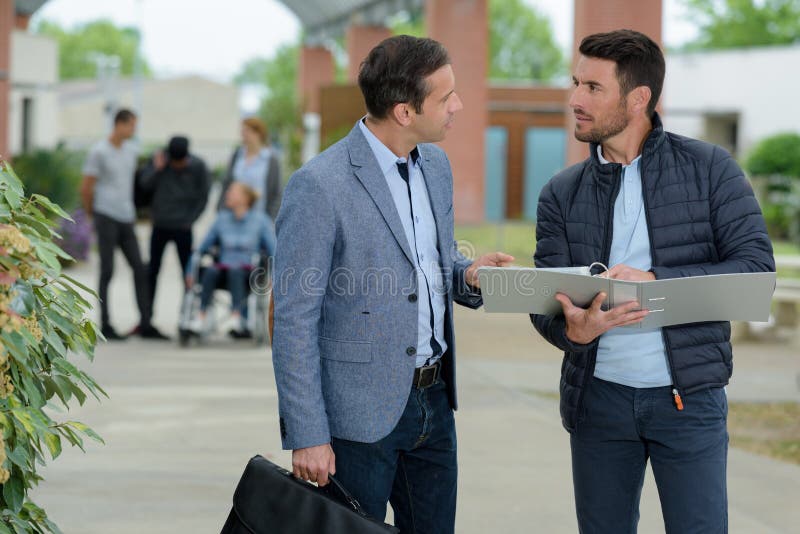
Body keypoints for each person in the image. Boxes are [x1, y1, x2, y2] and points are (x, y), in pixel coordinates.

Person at [530, 29, 775, 533]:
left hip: (688, 401)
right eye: (576, 83)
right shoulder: (559, 193)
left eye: (593, 88)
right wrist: (569, 332)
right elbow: (544, 299)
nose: (575, 99)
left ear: (638, 98)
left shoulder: (711, 170)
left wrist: (655, 281)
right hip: (598, 402)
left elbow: (753, 269)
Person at [271, 35, 513, 533]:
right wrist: (307, 433)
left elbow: (426, 265)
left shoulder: (437, 167)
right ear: (405, 111)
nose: (458, 107)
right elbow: (293, 318)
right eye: (446, 98)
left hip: (435, 402)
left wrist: (467, 275)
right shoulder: (319, 185)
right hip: (357, 419)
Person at [80, 109, 168, 341]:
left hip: (126, 216)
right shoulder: (99, 152)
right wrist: (92, 215)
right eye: (131, 126)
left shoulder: (131, 151)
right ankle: (105, 324)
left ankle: (146, 323)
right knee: (107, 270)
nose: (134, 131)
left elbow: (138, 181)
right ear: (119, 124)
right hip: (105, 214)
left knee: (140, 268)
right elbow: (87, 187)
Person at [185, 182, 275, 339]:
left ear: (245, 198)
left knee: (236, 271)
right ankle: (200, 316)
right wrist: (189, 270)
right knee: (211, 269)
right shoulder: (221, 219)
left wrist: (274, 276)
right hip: (222, 271)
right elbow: (201, 249)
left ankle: (236, 315)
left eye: (232, 192)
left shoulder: (260, 220)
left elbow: (274, 250)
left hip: (248, 273)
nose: (227, 194)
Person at [139, 136, 210, 317]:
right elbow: (143, 186)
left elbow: (203, 197)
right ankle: (147, 318)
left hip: (183, 227)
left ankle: (186, 316)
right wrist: (157, 169)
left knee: (187, 273)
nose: (178, 166)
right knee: (152, 271)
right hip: (160, 225)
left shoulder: (198, 166)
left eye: (182, 163)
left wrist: (191, 220)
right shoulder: (159, 162)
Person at [218, 117, 282, 222]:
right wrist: (221, 209)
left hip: (259, 217)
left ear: (258, 134)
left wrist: (271, 218)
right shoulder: (237, 155)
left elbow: (276, 192)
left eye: (247, 131)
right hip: (233, 216)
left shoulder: (270, 159)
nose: (243, 134)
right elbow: (227, 183)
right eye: (242, 131)